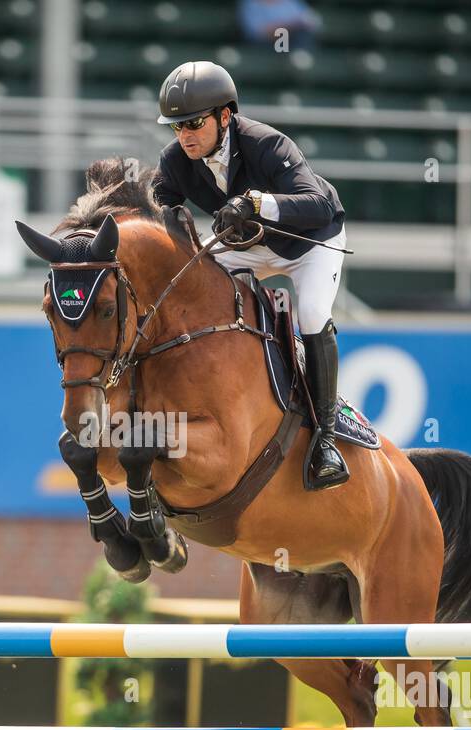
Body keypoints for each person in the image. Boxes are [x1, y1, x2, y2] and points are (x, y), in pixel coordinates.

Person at [151, 60, 350, 491]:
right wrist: (174, 220)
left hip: (309, 244)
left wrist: (257, 204)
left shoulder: (268, 144)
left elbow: (315, 203)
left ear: (225, 116)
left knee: (313, 313)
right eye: (177, 127)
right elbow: (161, 199)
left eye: (194, 124)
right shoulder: (176, 159)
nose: (184, 136)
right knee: (196, 290)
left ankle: (325, 438)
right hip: (245, 248)